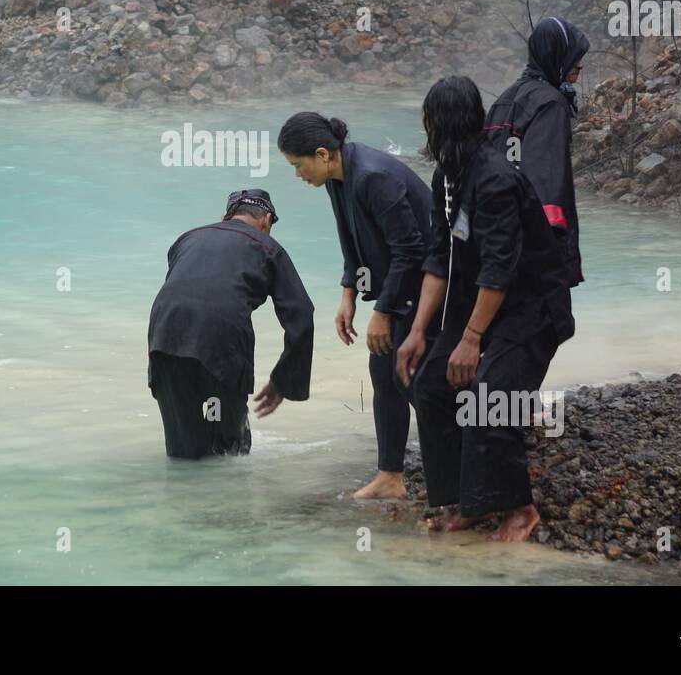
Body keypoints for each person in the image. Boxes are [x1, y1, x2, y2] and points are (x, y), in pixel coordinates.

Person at [396, 77, 574, 542]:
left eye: (428, 119)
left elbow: (501, 265)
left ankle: (520, 508)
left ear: (440, 123)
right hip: (484, 302)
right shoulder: (447, 176)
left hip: (530, 308)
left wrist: (471, 340)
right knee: (432, 384)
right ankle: (466, 501)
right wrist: (418, 332)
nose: (426, 127)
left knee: (490, 399)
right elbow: (439, 256)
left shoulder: (495, 178)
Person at [278, 113, 435, 499]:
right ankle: (391, 477)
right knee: (384, 374)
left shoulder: (372, 177)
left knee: (413, 380)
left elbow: (410, 249)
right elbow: (351, 238)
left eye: (298, 165)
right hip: (398, 289)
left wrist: (382, 312)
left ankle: (461, 468)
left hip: (429, 287)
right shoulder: (338, 176)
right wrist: (349, 291)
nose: (298, 175)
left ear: (322, 153)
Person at [147, 189, 314, 459]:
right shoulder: (267, 246)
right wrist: (284, 379)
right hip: (220, 340)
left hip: (164, 336)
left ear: (225, 216)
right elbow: (302, 314)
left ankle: (183, 497)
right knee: (230, 449)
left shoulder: (186, 238)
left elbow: (184, 287)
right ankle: (231, 497)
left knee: (183, 453)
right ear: (266, 220)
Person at [485, 16, 589, 287]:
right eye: (574, 56)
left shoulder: (504, 99)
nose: (580, 64)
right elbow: (544, 182)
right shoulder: (551, 104)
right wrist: (556, 260)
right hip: (531, 256)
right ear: (554, 54)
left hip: (493, 242)